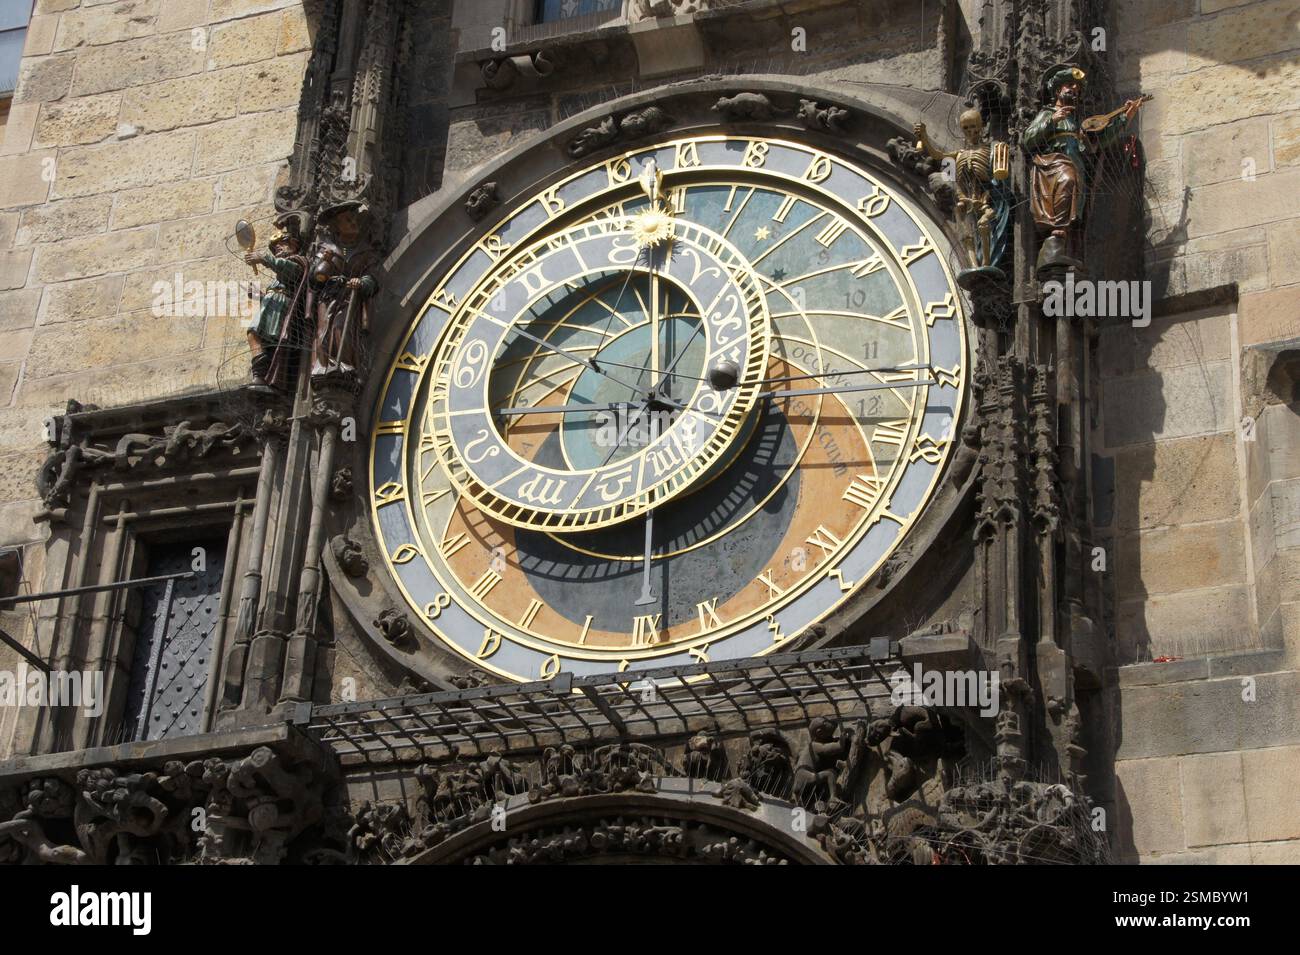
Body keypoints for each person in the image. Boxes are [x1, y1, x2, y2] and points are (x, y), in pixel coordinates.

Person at [1022, 66, 1145, 272]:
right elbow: (1027, 138)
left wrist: (1126, 116)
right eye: (1069, 85)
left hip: (1076, 167)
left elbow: (1100, 139)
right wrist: (1053, 120)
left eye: (1077, 89)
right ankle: (1052, 245)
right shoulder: (1048, 113)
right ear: (1058, 90)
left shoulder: (1077, 124)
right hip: (1054, 165)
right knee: (1066, 181)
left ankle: (1064, 250)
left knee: (1077, 208)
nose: (1073, 90)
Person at [244, 229, 307, 391]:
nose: (278, 248)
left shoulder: (299, 261)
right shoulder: (278, 275)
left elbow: (290, 271)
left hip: (283, 308)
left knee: (260, 336)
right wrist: (260, 295)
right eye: (275, 247)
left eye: (282, 244)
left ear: (294, 245)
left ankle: (263, 374)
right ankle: (260, 374)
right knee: (254, 335)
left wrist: (263, 258)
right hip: (272, 305)